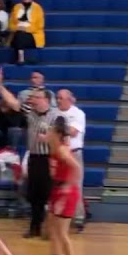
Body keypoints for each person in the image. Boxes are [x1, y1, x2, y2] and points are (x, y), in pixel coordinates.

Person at [0, 68, 54, 239]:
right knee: (34, 195)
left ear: (46, 100)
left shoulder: (55, 116)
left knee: (47, 195)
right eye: (32, 97)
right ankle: (34, 227)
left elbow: (62, 139)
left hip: (49, 159)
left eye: (37, 97)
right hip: (34, 157)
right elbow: (13, 102)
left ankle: (49, 228)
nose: (33, 100)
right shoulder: (30, 113)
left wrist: (49, 138)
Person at [44, 117, 85, 255]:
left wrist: (67, 188)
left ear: (56, 134)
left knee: (62, 232)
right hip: (57, 189)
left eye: (50, 130)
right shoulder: (54, 148)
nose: (47, 133)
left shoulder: (62, 150)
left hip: (66, 192)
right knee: (52, 228)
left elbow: (77, 168)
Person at [55, 89, 88, 228]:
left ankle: (79, 216)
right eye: (57, 98)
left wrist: (56, 130)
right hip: (58, 154)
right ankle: (58, 214)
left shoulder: (78, 113)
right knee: (57, 185)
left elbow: (73, 132)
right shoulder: (54, 113)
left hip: (73, 153)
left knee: (75, 185)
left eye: (61, 98)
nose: (58, 100)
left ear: (69, 100)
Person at [8, 0, 45, 66]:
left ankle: (20, 57)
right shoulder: (16, 7)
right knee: (19, 34)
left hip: (32, 34)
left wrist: (26, 29)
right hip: (17, 32)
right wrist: (17, 28)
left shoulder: (38, 8)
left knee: (20, 35)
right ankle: (21, 57)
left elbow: (40, 26)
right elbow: (11, 24)